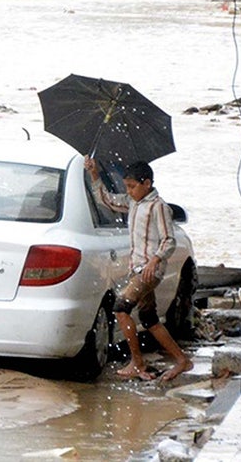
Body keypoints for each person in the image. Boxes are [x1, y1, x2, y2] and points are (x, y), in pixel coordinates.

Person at [84, 157, 193, 382]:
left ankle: (137, 362)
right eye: (127, 187)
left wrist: (155, 260)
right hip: (138, 268)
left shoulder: (158, 206)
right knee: (149, 318)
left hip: (149, 271)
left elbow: (169, 240)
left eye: (132, 186)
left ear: (147, 183)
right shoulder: (133, 202)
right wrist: (94, 173)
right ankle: (182, 360)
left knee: (121, 307)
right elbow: (107, 200)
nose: (129, 191)